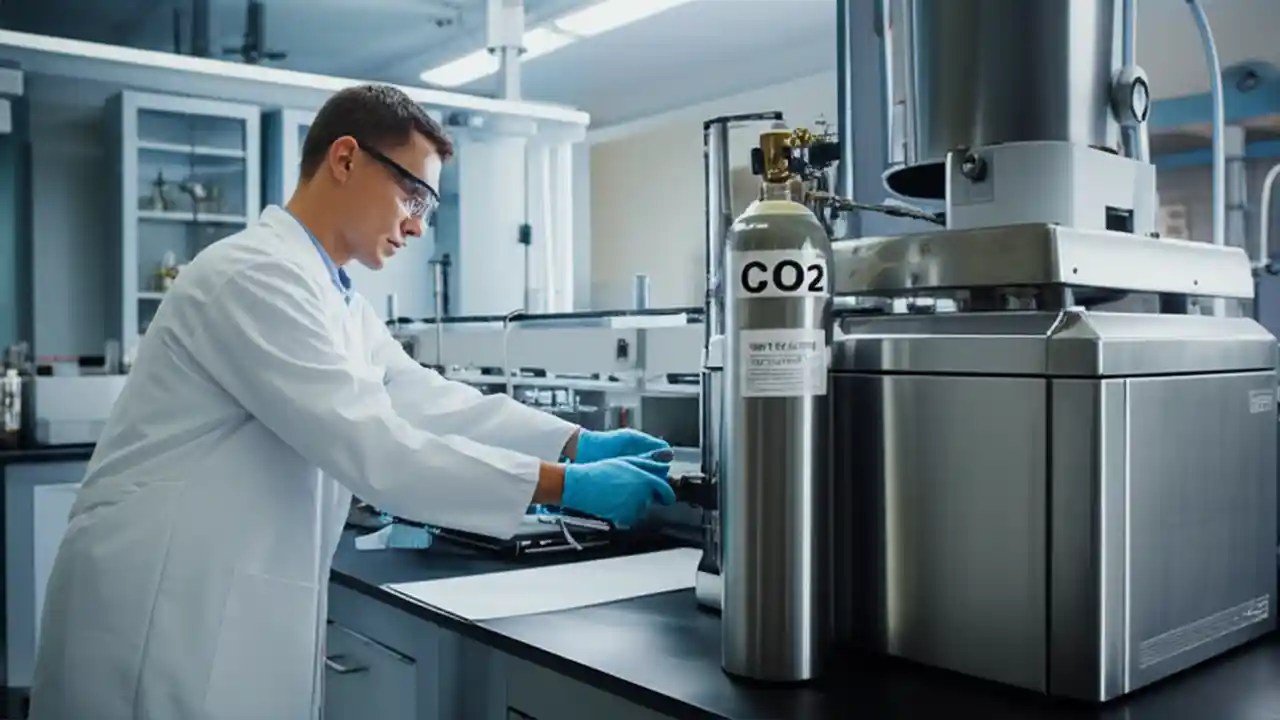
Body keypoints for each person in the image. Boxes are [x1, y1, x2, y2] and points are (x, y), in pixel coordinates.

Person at [28, 84, 675, 720]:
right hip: (160, 603)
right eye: (413, 193)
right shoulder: (252, 276)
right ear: (345, 159)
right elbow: (378, 451)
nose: (419, 225)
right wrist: (566, 486)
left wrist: (573, 442)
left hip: (216, 591)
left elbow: (424, 398)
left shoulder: (331, 296)